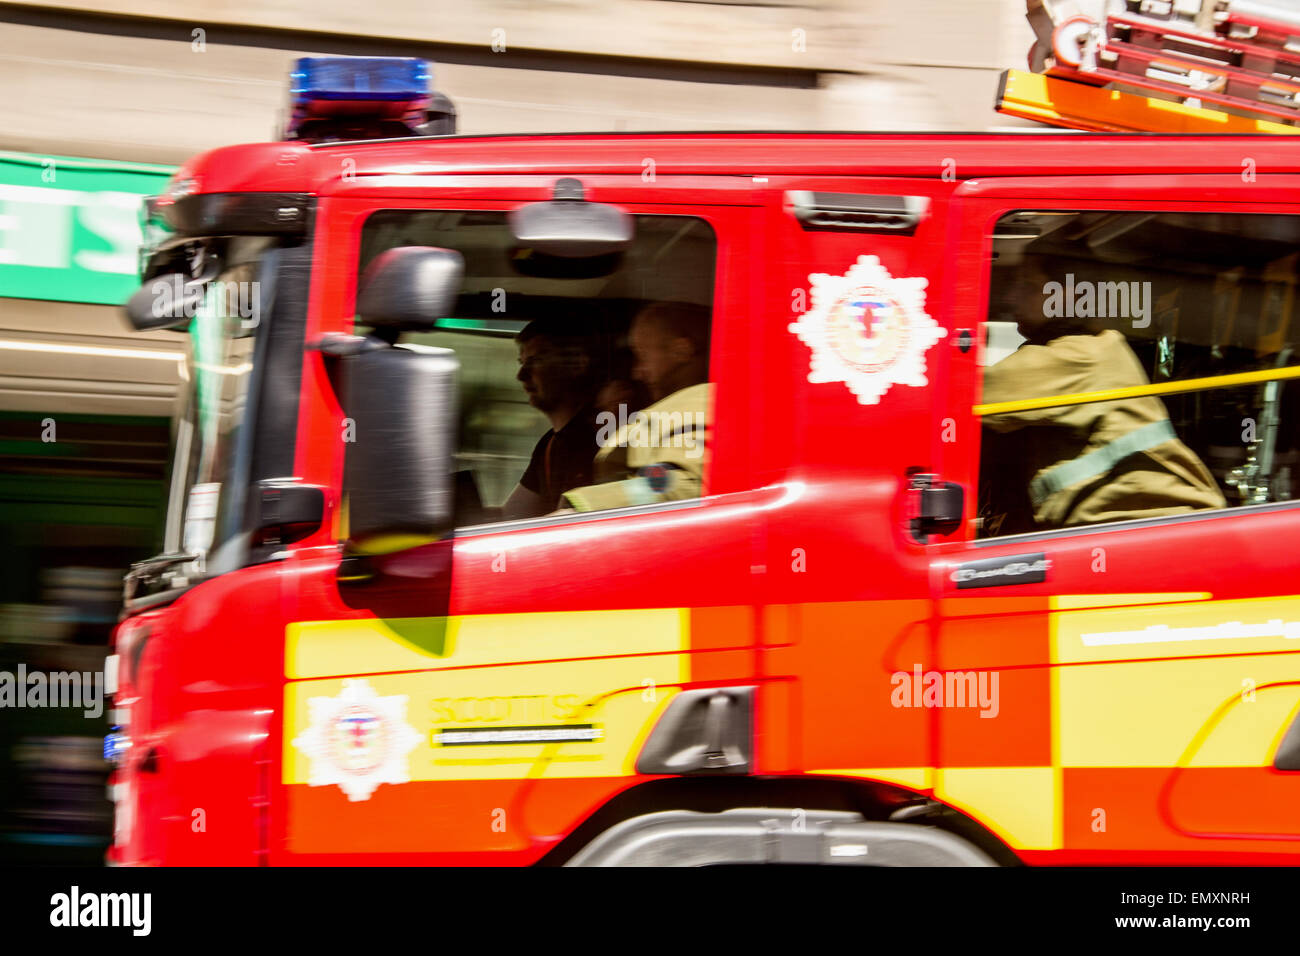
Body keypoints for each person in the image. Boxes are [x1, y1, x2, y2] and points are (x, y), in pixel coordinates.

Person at [981, 256, 1225, 532]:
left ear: (1067, 295)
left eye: (1027, 286)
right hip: (1135, 526)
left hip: (1148, 528)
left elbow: (971, 393)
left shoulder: (1082, 355)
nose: (1011, 297)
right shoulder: (1090, 348)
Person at [561, 301, 711, 512]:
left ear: (681, 351)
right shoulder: (682, 408)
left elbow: (681, 483)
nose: (637, 373)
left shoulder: (703, 404)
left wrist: (581, 510)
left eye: (642, 356)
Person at [501, 318, 603, 520]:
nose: (521, 375)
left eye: (535, 361)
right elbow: (512, 516)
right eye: (522, 363)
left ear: (577, 364)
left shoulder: (598, 440)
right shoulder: (549, 444)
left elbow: (568, 523)